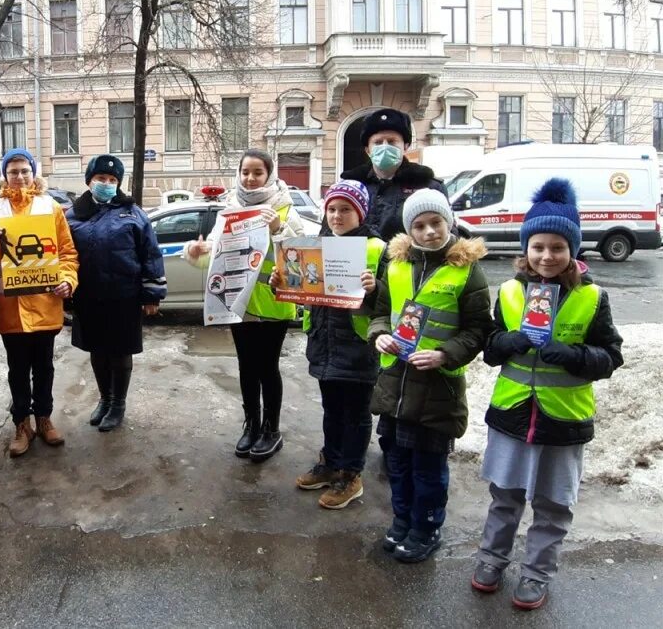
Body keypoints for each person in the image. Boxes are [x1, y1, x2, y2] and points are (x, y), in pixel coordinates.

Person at [471, 178, 623, 610]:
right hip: (512, 415)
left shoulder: (593, 297)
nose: (547, 256)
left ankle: (537, 573)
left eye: (558, 247)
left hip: (564, 421)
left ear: (572, 250)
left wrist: (573, 355)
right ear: (526, 249)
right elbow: (489, 348)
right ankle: (491, 559)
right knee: (505, 497)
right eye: (538, 246)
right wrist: (509, 342)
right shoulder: (509, 291)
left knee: (554, 505)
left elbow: (611, 356)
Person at [369, 188, 492, 562]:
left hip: (438, 388)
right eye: (419, 225)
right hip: (396, 384)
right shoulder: (396, 264)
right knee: (397, 462)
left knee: (428, 467)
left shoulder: (467, 270)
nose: (429, 232)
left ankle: (427, 526)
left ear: (448, 221)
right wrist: (380, 336)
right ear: (410, 229)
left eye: (436, 222)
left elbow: (478, 330)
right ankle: (402, 519)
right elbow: (380, 311)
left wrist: (444, 355)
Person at [271, 180, 387, 509]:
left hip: (358, 345)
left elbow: (395, 299)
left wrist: (375, 287)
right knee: (332, 410)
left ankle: (351, 475)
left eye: (345, 209)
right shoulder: (316, 245)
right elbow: (299, 294)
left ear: (360, 212)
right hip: (324, 343)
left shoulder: (377, 248)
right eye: (332, 209)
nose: (337, 215)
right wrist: (279, 284)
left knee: (357, 413)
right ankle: (330, 463)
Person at [184, 149, 305, 462]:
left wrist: (279, 227)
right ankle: (251, 424)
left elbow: (301, 259)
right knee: (247, 367)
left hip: (275, 304)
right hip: (239, 303)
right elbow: (215, 256)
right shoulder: (230, 210)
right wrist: (198, 252)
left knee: (268, 368)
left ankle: (272, 430)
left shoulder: (285, 207)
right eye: (246, 172)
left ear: (269, 175)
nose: (251, 178)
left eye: (258, 172)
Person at [0, 148, 79, 457]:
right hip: (10, 307)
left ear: (34, 173)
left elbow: (67, 252)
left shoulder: (50, 207)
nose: (20, 176)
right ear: (4, 175)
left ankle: (45, 419)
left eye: (25, 170)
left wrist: (68, 279)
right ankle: (22, 425)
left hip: (45, 302)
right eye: (14, 172)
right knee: (17, 370)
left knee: (44, 368)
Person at [65, 154, 166, 432]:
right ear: (89, 181)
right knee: (97, 350)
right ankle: (105, 399)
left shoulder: (133, 213)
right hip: (89, 295)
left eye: (112, 180)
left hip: (124, 295)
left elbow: (150, 253)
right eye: (101, 178)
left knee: (120, 352)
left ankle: (118, 404)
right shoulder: (72, 215)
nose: (106, 184)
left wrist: (152, 293)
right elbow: (64, 254)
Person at [340, 108, 447, 241]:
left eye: (392, 141)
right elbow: (329, 232)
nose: (385, 147)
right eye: (378, 142)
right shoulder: (350, 186)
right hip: (358, 261)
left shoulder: (427, 186)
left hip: (405, 261)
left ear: (405, 146)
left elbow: (445, 235)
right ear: (368, 150)